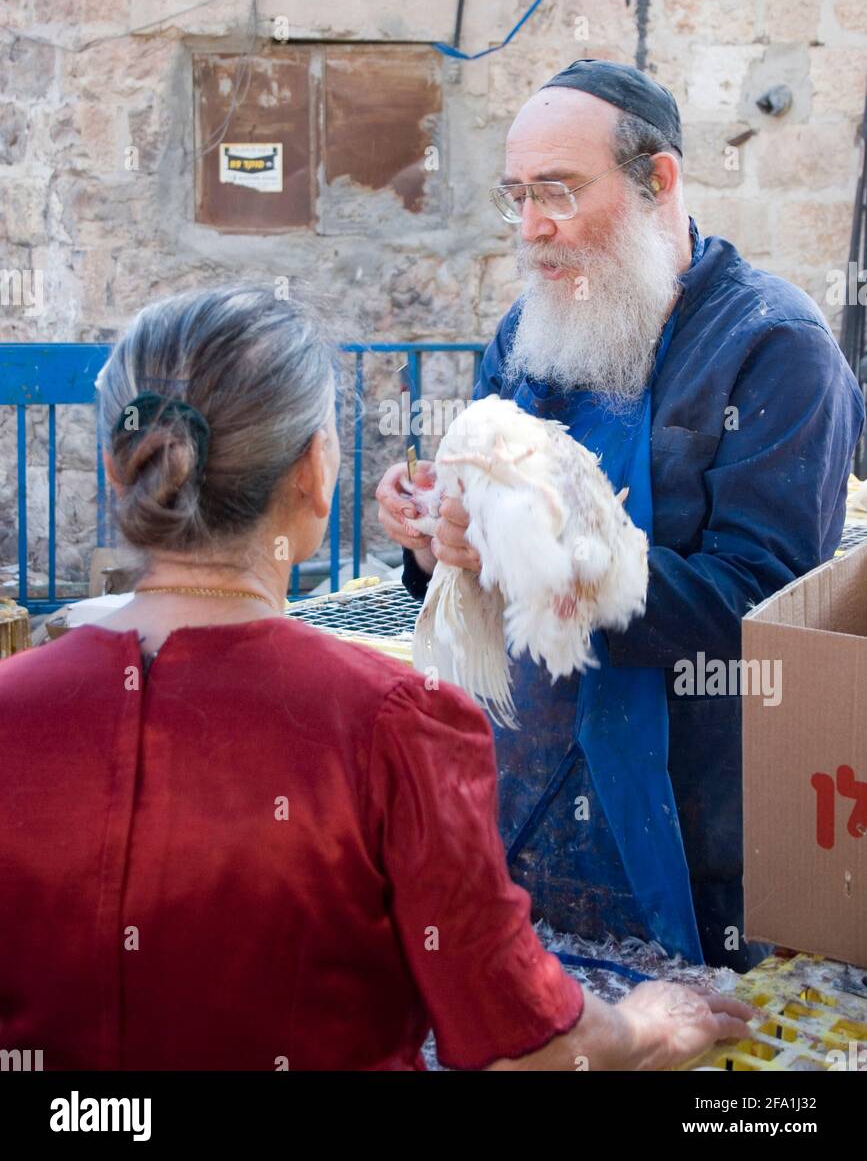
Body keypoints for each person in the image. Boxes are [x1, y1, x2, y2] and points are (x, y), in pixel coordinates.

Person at [0, 284, 751, 1071]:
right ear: (314, 472)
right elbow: (528, 1048)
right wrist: (651, 1025)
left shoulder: (15, 711)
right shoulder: (397, 724)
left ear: (121, 478)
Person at [377, 59, 866, 972]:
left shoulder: (773, 350)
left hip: (690, 827)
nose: (532, 228)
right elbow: (467, 558)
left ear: (658, 179)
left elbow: (756, 611)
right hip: (524, 810)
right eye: (516, 196)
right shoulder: (529, 331)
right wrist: (435, 533)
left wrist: (556, 557)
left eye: (557, 191)